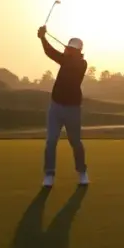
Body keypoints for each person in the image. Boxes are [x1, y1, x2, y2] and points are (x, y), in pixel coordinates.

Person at [37, 26, 89, 188]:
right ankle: (49, 174)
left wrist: (64, 52)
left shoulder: (81, 64)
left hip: (72, 109)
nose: (68, 50)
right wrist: (43, 38)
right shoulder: (66, 60)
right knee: (51, 141)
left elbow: (63, 58)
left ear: (77, 51)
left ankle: (82, 172)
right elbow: (50, 53)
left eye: (71, 48)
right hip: (56, 107)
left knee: (75, 141)